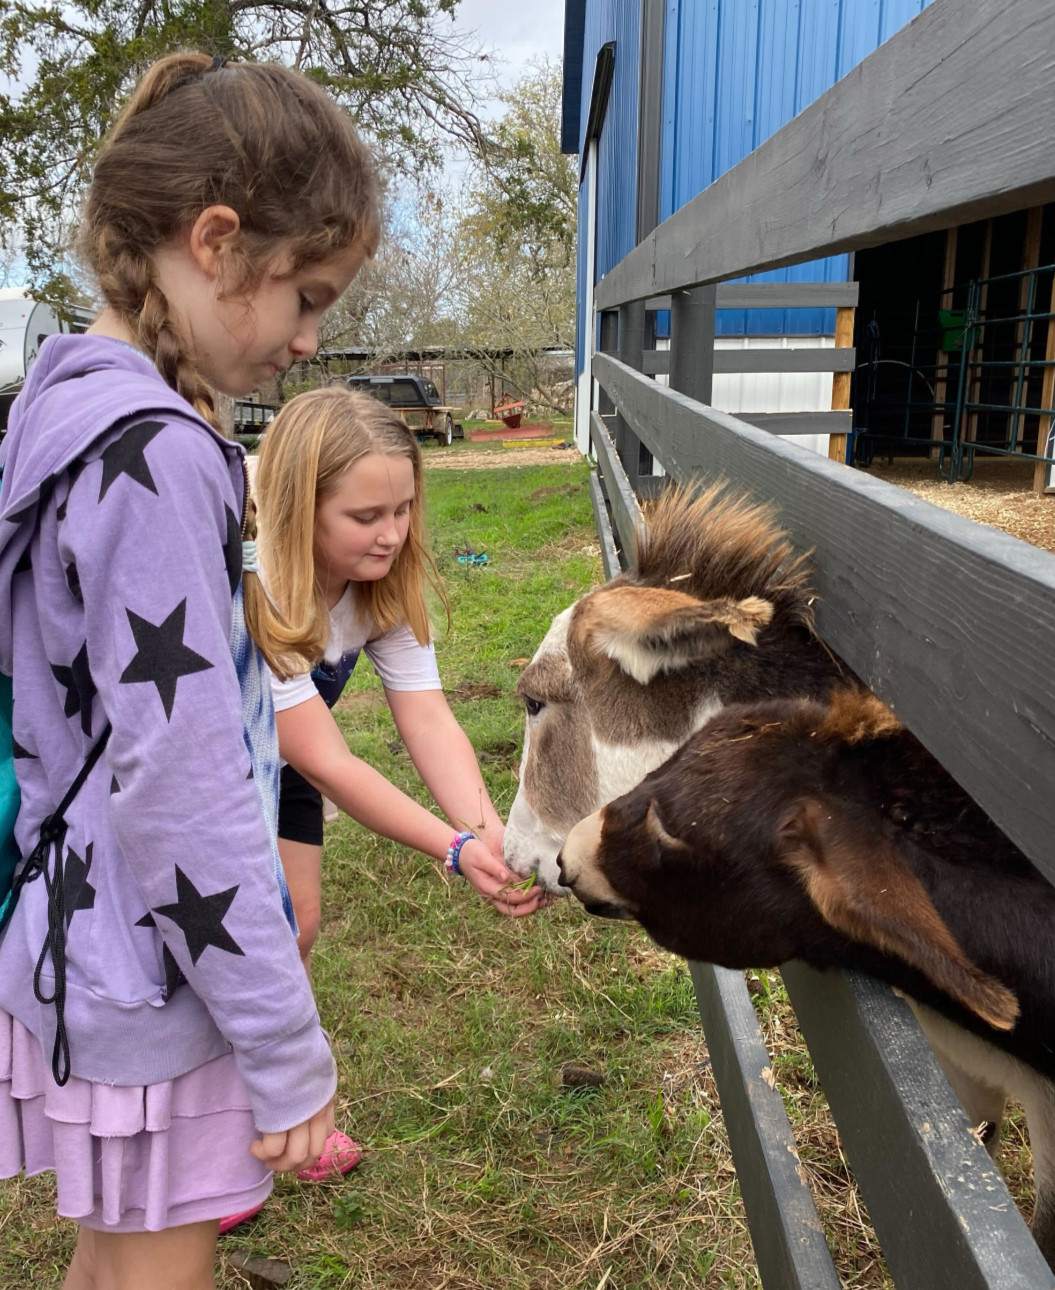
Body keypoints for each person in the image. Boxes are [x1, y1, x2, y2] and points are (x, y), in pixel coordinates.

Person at [0, 53, 378, 1289]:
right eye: (305, 294)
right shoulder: (157, 456)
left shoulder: (63, 405)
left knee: (114, 1259)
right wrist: (282, 1044)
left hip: (81, 933)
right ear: (216, 243)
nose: (310, 339)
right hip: (160, 958)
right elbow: (185, 779)